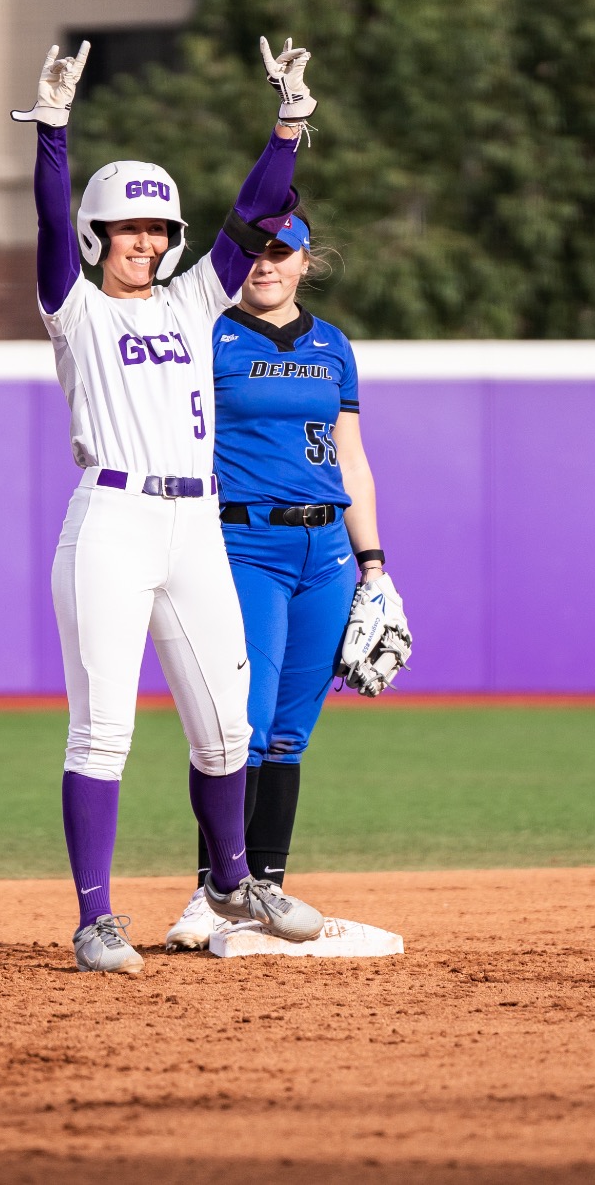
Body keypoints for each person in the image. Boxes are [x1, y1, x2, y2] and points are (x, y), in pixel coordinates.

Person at [14, 36, 329, 974]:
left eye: (154, 228)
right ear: (97, 237)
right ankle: (96, 918)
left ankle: (234, 880)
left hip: (195, 524)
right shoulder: (75, 307)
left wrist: (288, 123)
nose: (143, 241)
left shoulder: (197, 299)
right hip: (111, 520)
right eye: (125, 229)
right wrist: (55, 134)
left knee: (229, 725)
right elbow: (43, 224)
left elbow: (254, 210)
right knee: (103, 728)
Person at [162, 207, 406, 950]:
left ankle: (262, 888)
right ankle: (213, 893)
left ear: (306, 260)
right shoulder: (208, 334)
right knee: (241, 724)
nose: (265, 263)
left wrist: (374, 567)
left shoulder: (332, 345)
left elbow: (351, 457)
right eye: (254, 251)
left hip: (325, 550)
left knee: (290, 734)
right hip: (243, 544)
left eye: (281, 251)